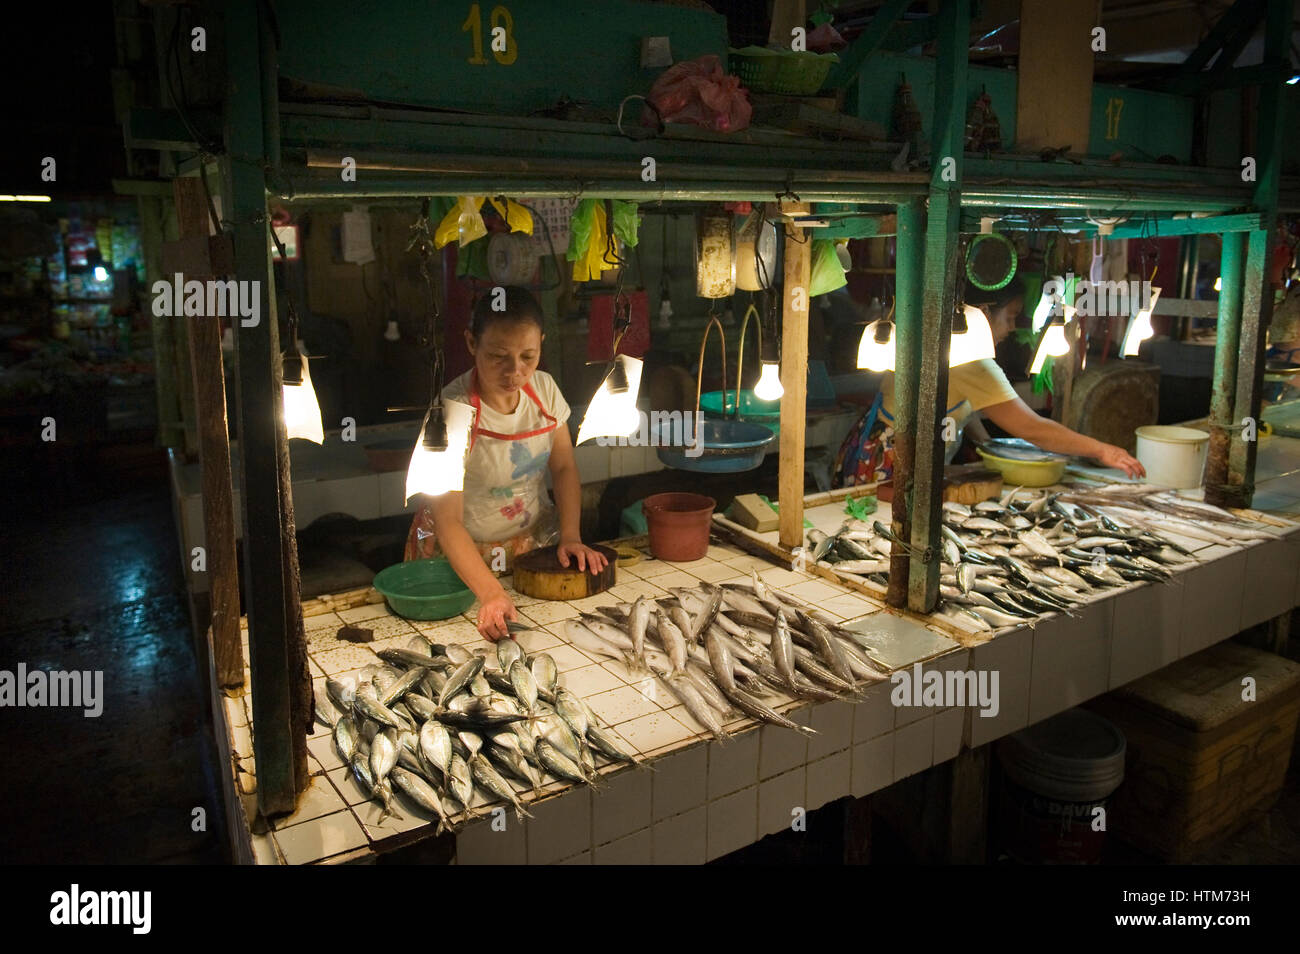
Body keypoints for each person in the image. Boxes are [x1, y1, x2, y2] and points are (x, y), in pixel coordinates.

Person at [403, 286, 607, 640]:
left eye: (528, 356)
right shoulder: (452, 411)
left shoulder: (544, 390)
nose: (515, 371)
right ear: (471, 343)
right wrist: (490, 593)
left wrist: (571, 535)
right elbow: (448, 520)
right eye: (498, 356)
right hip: (457, 554)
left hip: (526, 545)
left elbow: (563, 468)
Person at [834, 277, 1145, 487]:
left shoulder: (938, 341)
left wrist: (986, 443)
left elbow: (955, 404)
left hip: (867, 448)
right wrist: (1103, 450)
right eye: (1010, 316)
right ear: (981, 313)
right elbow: (1033, 430)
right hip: (888, 462)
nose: (1011, 327)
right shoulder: (973, 362)